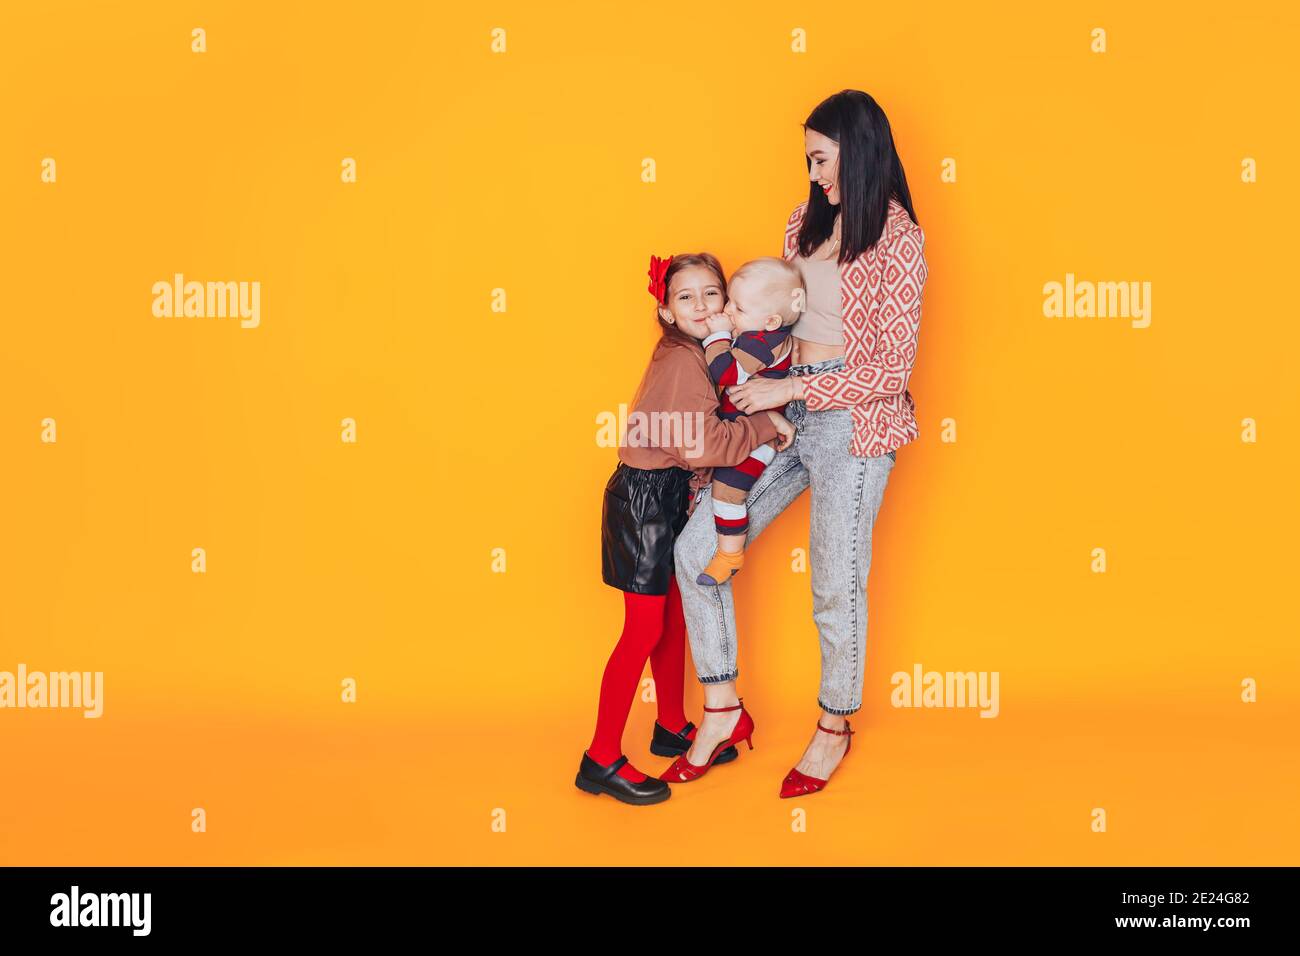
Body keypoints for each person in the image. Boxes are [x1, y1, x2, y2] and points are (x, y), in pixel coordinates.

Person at [665, 90, 928, 798]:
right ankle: (722, 709)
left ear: (858, 148)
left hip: (853, 424)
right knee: (695, 551)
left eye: (821, 158)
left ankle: (835, 724)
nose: (812, 175)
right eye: (807, 160)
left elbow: (892, 370)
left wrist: (794, 393)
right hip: (781, 412)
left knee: (833, 585)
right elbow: (771, 334)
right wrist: (748, 403)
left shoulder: (899, 239)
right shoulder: (800, 226)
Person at [576, 252, 796, 806]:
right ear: (666, 311)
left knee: (671, 619)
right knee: (643, 631)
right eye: (684, 297)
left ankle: (671, 725)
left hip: (668, 494)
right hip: (644, 504)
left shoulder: (708, 353)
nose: (700, 305)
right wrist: (767, 422)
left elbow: (696, 442)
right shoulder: (682, 360)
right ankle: (600, 758)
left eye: (711, 294)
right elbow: (702, 445)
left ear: (728, 303)